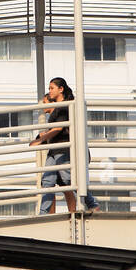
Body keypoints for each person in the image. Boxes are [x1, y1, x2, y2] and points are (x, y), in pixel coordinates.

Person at [28, 77, 99, 215]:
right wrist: (42, 137)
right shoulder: (58, 109)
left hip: (63, 149)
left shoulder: (64, 107)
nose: (49, 91)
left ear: (60, 89)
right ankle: (43, 213)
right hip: (55, 150)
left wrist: (41, 139)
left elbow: (58, 128)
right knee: (47, 181)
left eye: (51, 88)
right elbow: (55, 129)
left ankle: (92, 203)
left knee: (67, 179)